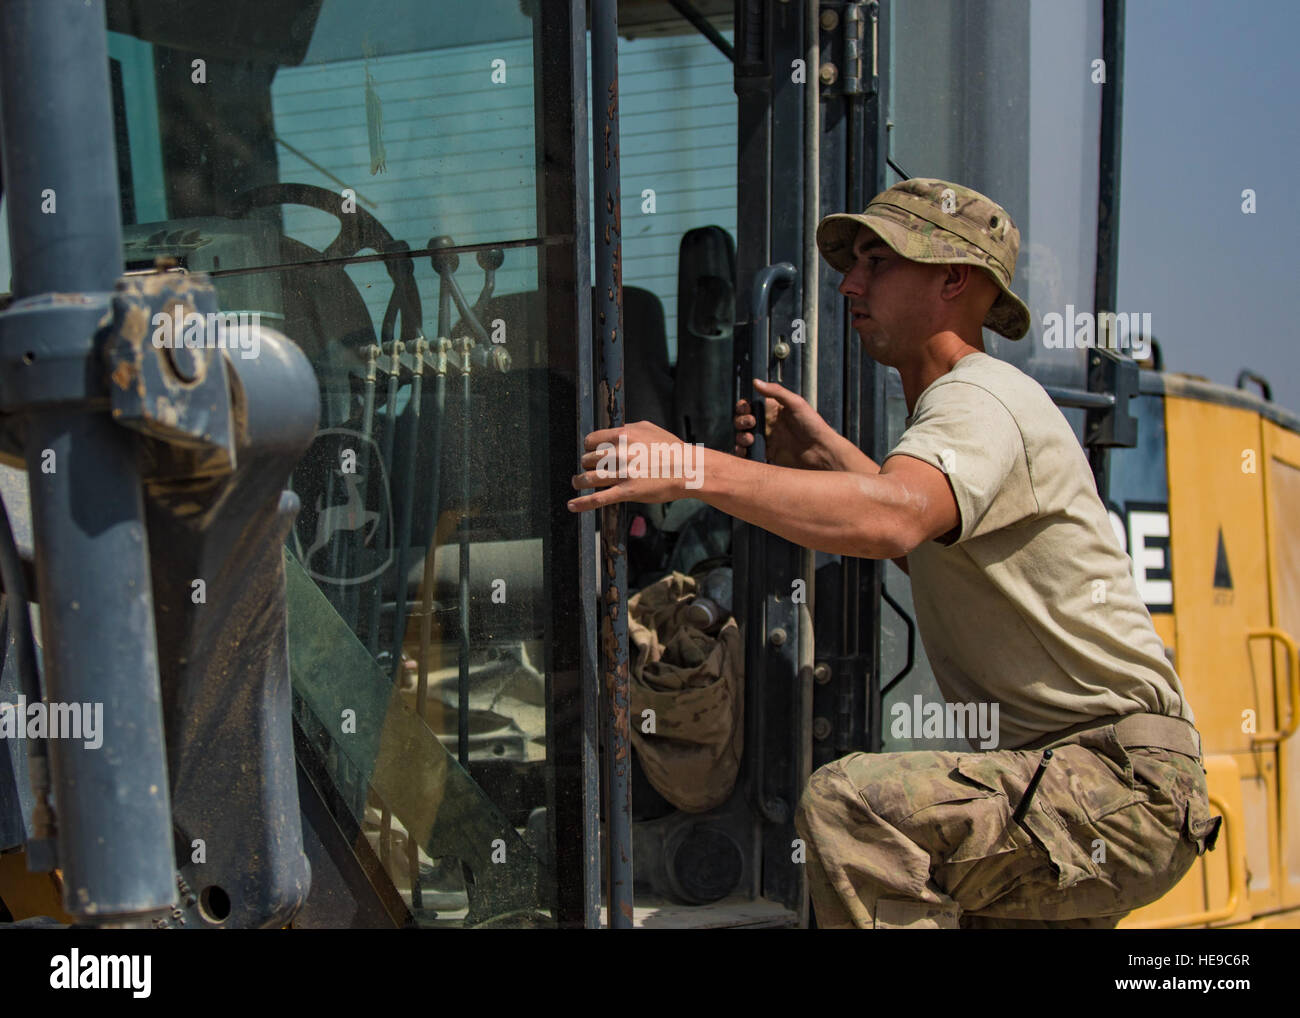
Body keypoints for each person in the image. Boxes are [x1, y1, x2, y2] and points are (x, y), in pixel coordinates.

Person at [568, 177, 1221, 928]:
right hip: (1076, 790)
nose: (851, 283)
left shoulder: (983, 398)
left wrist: (686, 465)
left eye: (878, 262)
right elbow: (928, 544)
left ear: (953, 279)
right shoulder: (964, 418)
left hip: (1112, 784)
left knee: (852, 809)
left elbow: (895, 520)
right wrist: (822, 457)